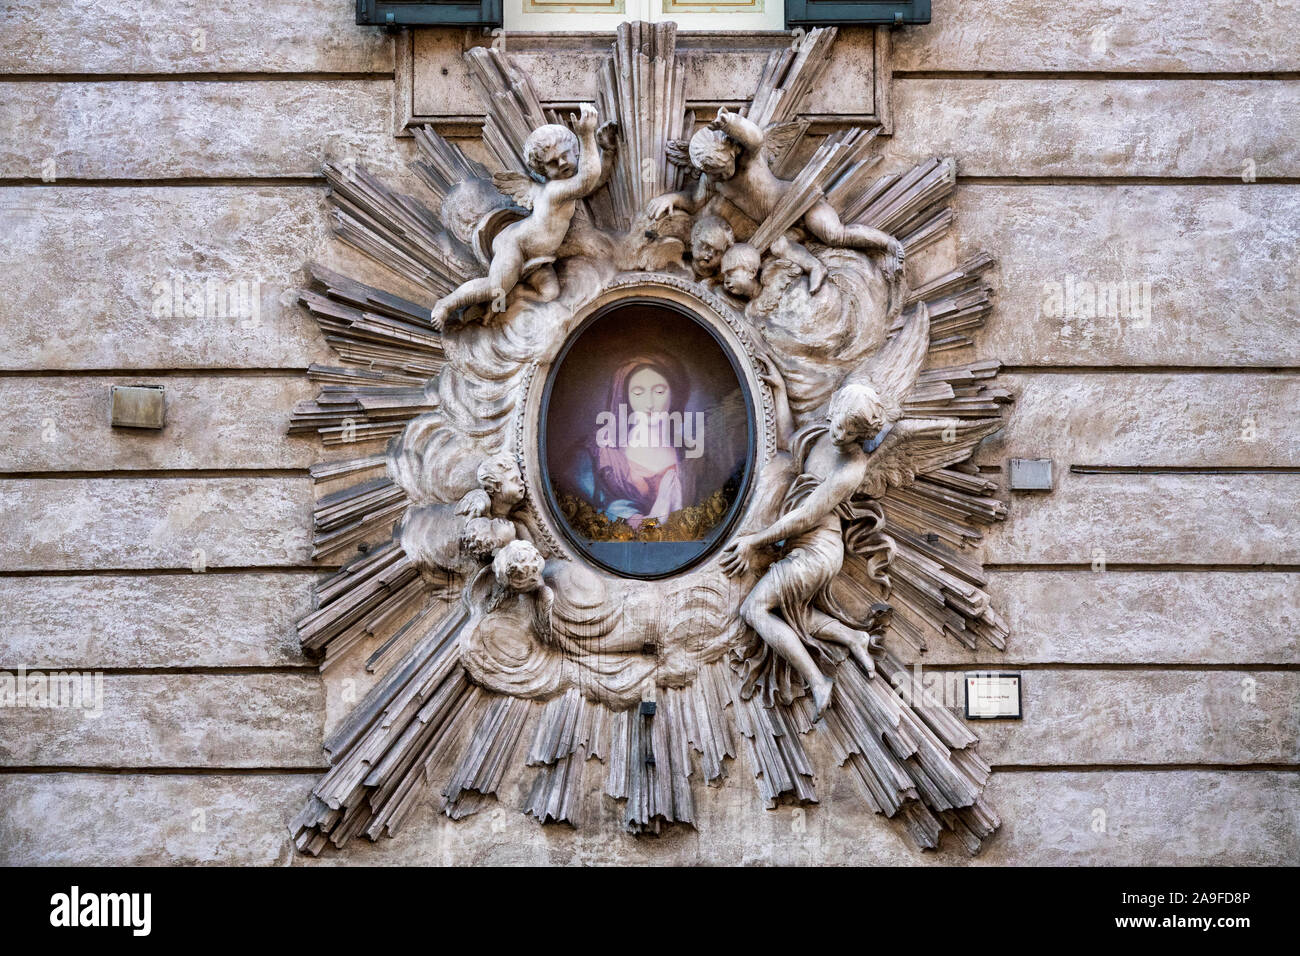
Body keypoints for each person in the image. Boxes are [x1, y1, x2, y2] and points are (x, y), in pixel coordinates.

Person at [565, 352, 696, 529]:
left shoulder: (690, 453)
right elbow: (579, 510)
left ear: (675, 394)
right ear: (625, 397)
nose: (649, 403)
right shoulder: (596, 453)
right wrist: (636, 518)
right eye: (638, 393)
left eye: (659, 391)